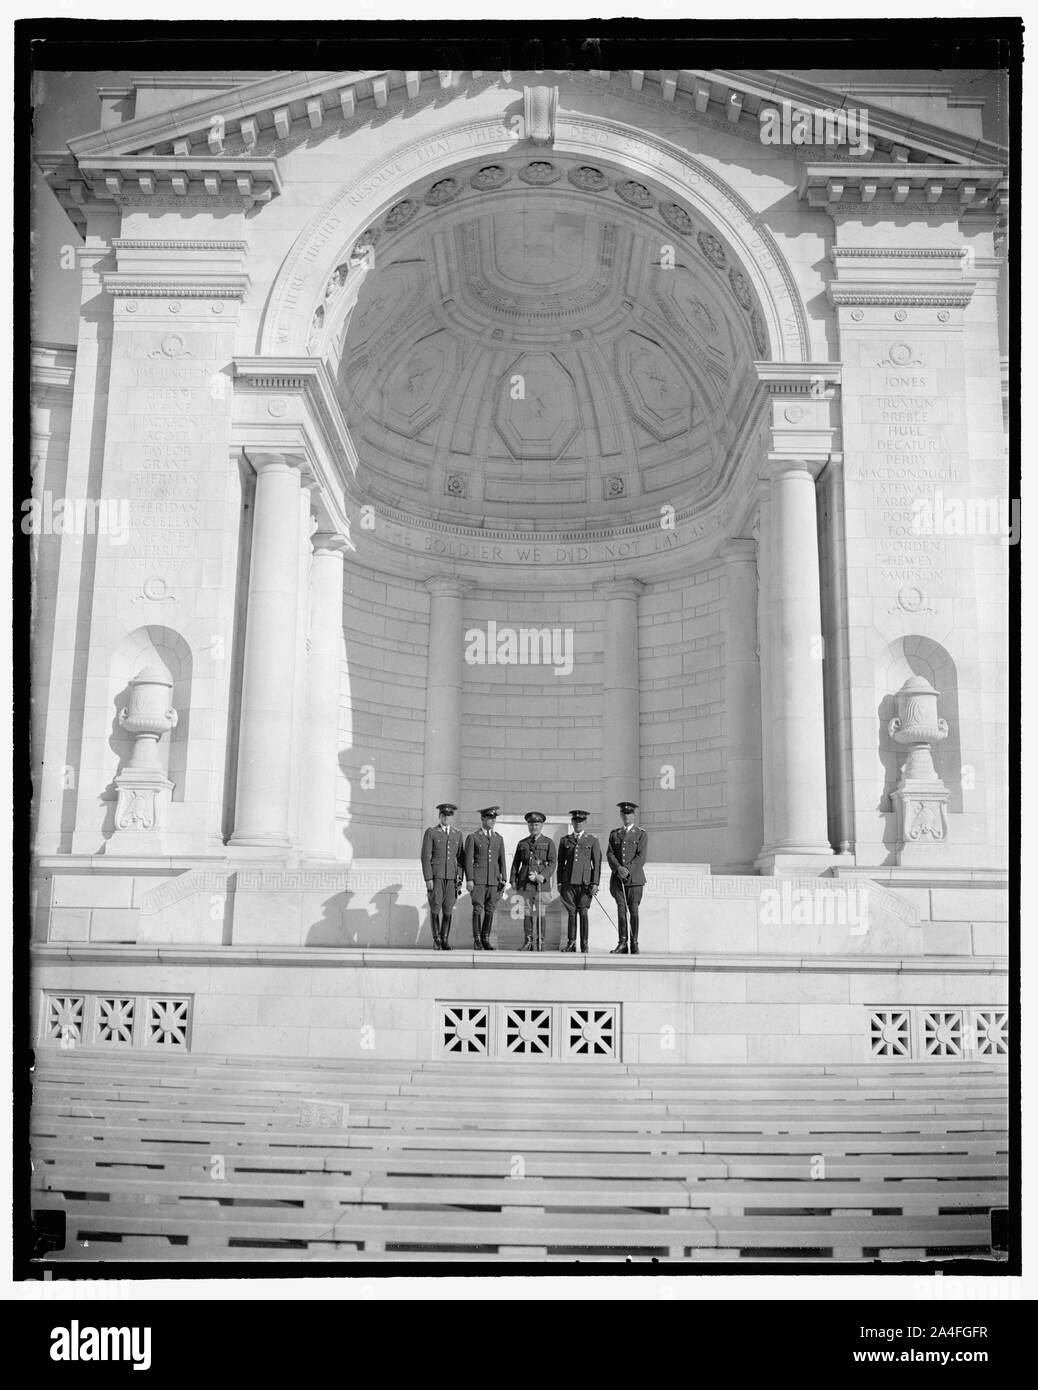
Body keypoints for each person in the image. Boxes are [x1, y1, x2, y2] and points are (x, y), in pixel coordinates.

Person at [509, 811, 556, 952]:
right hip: (525, 883)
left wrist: (542, 876)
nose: (533, 827)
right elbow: (516, 863)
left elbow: (553, 863)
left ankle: (541, 941)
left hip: (541, 883)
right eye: (531, 824)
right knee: (527, 912)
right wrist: (513, 879)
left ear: (541, 826)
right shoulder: (522, 843)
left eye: (536, 824)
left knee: (541, 912)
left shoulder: (548, 842)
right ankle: (528, 941)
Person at [556, 809, 601, 953]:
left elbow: (597, 863)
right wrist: (559, 882)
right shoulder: (565, 840)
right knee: (571, 913)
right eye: (575, 821)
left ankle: (584, 943)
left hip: (585, 883)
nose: (578, 823)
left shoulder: (592, 840)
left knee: (583, 913)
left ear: (585, 822)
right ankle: (571, 943)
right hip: (569, 883)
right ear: (572, 822)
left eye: (580, 821)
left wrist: (595, 883)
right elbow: (561, 863)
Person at [420, 802, 464, 950]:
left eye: (449, 815)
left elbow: (460, 859)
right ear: (440, 816)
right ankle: (436, 939)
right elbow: (425, 857)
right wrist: (428, 878)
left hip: (451, 877)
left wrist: (459, 878)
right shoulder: (431, 832)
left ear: (452, 817)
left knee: (448, 908)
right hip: (437, 876)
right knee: (435, 907)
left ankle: (445, 939)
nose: (446, 817)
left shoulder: (457, 834)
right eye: (444, 815)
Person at [607, 801, 648, 954]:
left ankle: (634, 942)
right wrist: (618, 869)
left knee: (634, 911)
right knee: (621, 910)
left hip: (634, 880)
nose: (626, 816)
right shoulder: (614, 834)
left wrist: (627, 870)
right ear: (620, 815)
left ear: (633, 815)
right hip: (617, 879)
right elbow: (610, 853)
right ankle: (622, 942)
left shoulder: (641, 834)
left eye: (629, 813)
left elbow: (641, 857)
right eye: (624, 813)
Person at [463, 806, 507, 951]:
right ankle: (477, 940)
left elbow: (502, 861)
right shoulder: (473, 837)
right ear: (482, 819)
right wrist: (469, 879)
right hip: (478, 879)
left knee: (490, 910)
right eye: (489, 818)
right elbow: (467, 860)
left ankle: (485, 939)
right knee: (477, 909)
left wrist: (504, 878)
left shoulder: (498, 838)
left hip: (493, 880)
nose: (492, 820)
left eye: (494, 818)